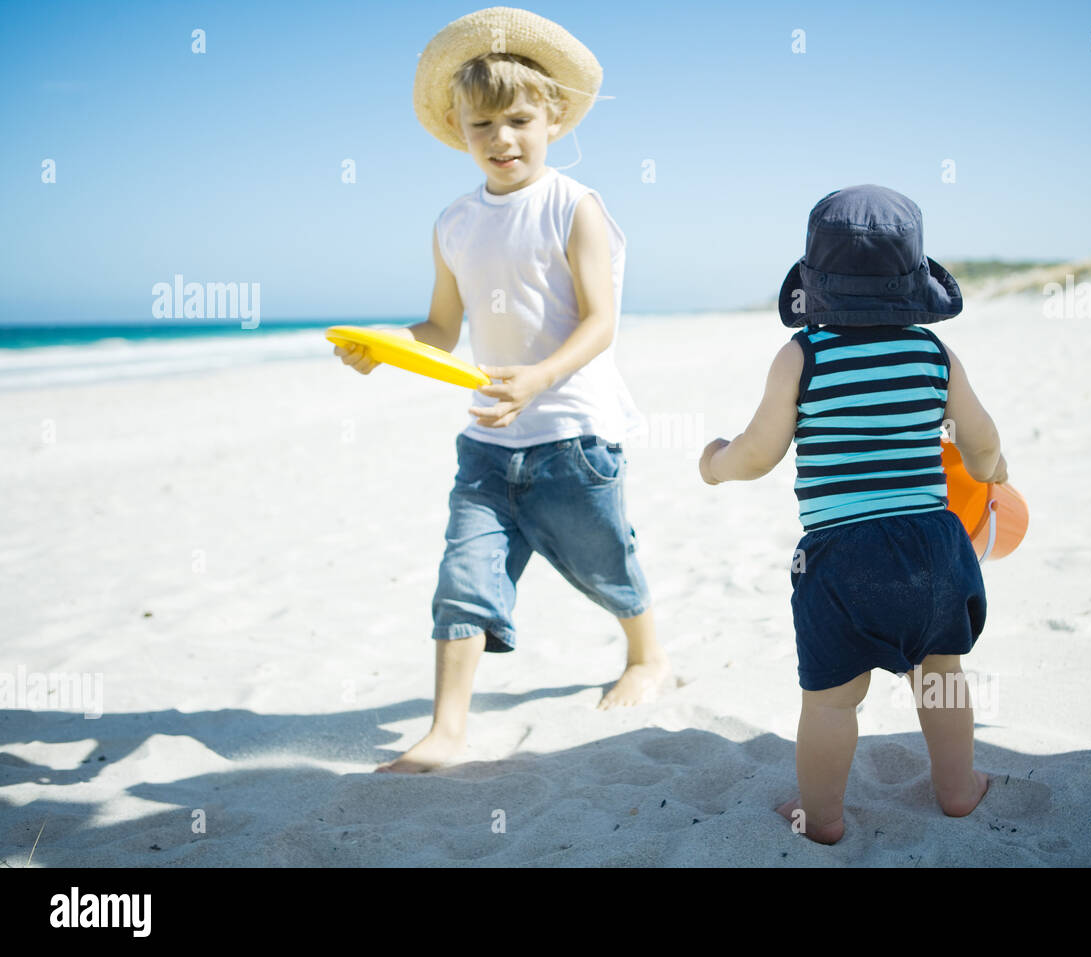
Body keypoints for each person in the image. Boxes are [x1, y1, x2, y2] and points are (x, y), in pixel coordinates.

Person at [336, 7, 668, 772]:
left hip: (575, 438)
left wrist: (542, 377)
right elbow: (441, 331)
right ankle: (447, 729)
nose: (502, 138)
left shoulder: (573, 206)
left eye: (518, 118)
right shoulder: (453, 222)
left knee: (605, 563)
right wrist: (384, 349)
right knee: (463, 577)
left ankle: (646, 656)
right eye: (482, 124)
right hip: (488, 442)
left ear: (551, 115)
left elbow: (600, 321)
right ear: (459, 128)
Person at [699, 185, 1006, 843]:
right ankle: (957, 788)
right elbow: (980, 441)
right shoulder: (933, 354)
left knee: (833, 699)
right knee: (943, 676)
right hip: (934, 545)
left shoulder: (803, 356)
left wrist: (717, 461)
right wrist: (992, 474)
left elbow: (759, 452)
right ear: (913, 284)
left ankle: (826, 816)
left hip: (842, 557)